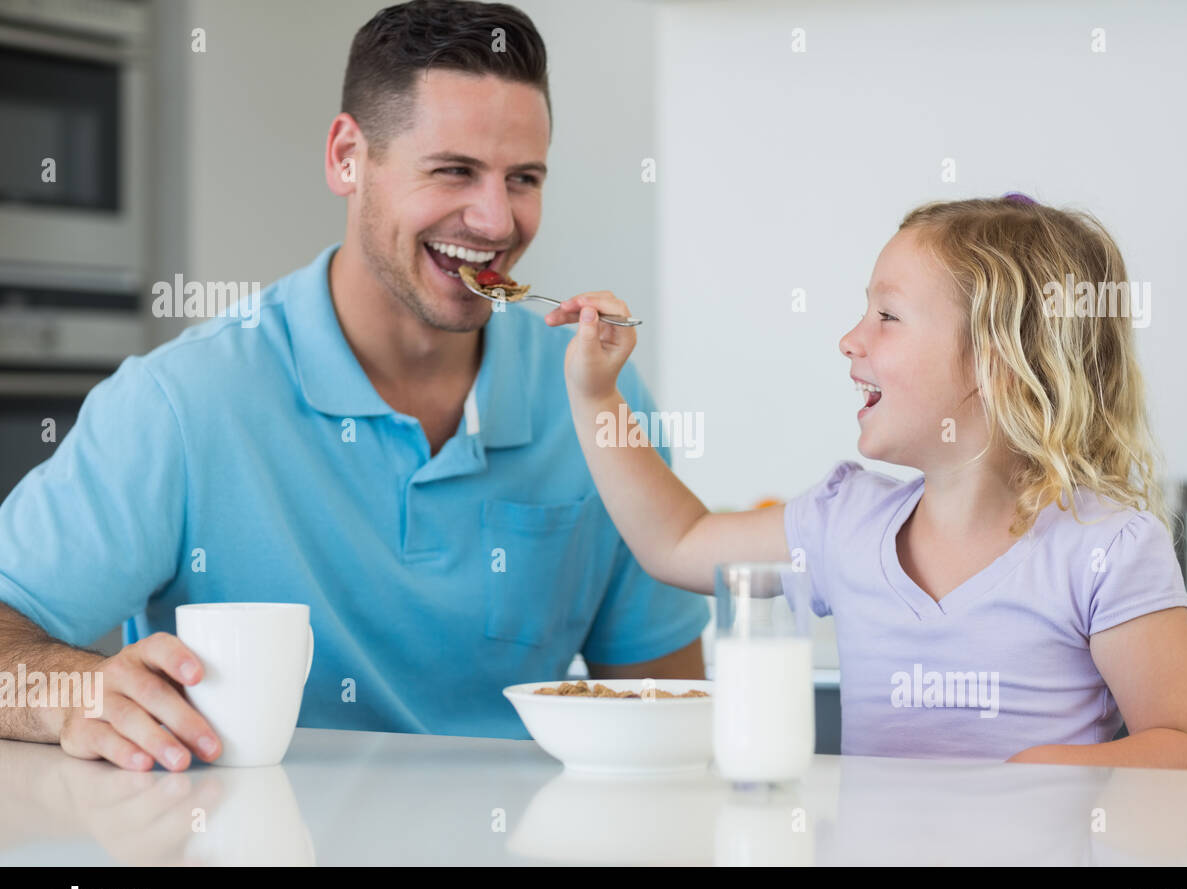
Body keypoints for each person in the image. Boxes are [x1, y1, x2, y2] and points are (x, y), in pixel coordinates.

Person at [0, 0, 708, 771]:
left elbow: (663, 714)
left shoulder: (597, 396)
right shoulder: (181, 404)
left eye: (524, 178)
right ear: (348, 157)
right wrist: (73, 690)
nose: (497, 220)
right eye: (453, 171)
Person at [548, 194, 1187, 769]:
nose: (851, 338)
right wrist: (597, 397)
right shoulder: (843, 524)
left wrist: (1041, 774)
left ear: (999, 363)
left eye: (887, 317)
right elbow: (677, 540)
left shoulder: (1105, 548)